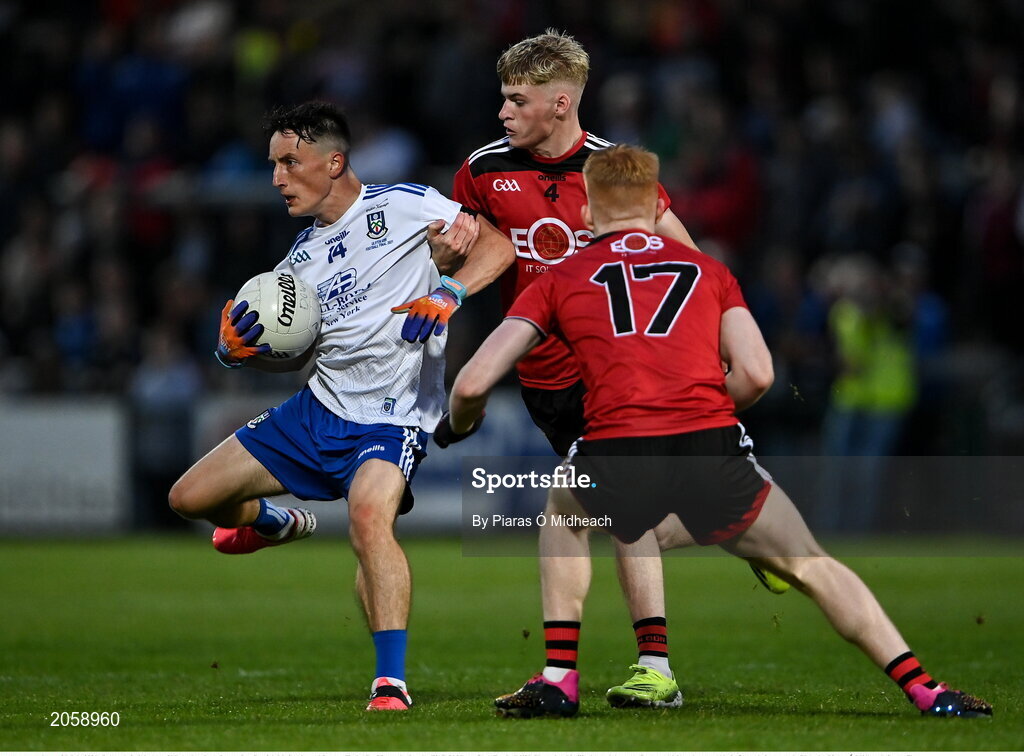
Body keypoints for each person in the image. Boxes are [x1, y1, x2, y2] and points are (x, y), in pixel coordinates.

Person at [439, 144, 991, 719]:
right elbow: (757, 374)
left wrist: (458, 425)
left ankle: (559, 678)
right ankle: (927, 689)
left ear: (585, 216)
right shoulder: (711, 272)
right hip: (712, 444)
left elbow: (474, 384)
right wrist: (695, 405)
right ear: (656, 205)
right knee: (809, 563)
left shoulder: (558, 280)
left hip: (616, 443)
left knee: (567, 512)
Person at [426, 29, 788, 713]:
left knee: (607, 510)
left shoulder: (612, 173)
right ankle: (750, 531)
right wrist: (446, 268)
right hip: (545, 383)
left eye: (515, 99)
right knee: (610, 511)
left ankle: (631, 668)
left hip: (614, 372)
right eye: (501, 99)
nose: (502, 112)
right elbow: (477, 250)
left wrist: (714, 339)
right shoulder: (481, 171)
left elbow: (687, 258)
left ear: (560, 103)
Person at [168, 101, 513, 711]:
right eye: (272, 164)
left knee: (368, 520)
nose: (276, 178)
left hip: (392, 415)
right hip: (317, 409)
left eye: (288, 162)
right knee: (187, 499)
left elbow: (498, 248)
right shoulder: (297, 260)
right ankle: (270, 522)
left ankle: (390, 682)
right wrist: (235, 353)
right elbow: (295, 355)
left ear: (334, 162)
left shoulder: (405, 205)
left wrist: (450, 291)